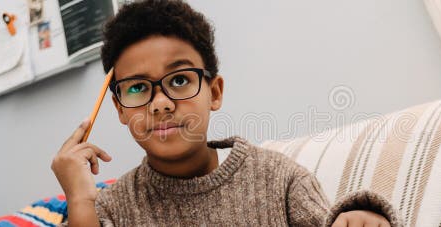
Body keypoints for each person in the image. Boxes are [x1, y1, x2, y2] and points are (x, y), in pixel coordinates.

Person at [50, 1, 400, 226]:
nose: (160, 103)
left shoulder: (280, 181)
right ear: (119, 109)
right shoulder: (109, 209)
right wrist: (80, 199)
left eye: (180, 79)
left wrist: (361, 217)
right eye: (138, 88)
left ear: (214, 92)